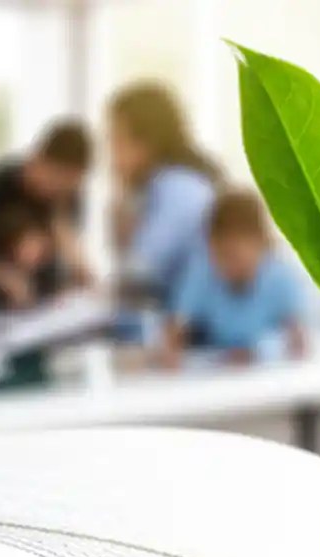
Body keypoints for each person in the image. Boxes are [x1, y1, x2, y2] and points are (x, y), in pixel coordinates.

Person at [160, 190, 306, 368]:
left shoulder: (281, 278)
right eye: (221, 255)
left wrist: (261, 351)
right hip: (220, 366)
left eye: (235, 255)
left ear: (261, 243)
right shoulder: (202, 273)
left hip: (268, 367)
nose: (228, 265)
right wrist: (169, 350)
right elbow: (176, 326)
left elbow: (300, 343)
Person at [108, 82, 218, 306]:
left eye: (117, 140)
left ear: (147, 143)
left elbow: (139, 274)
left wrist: (122, 215)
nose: (110, 152)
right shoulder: (165, 184)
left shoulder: (180, 189)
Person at [0, 120, 93, 305]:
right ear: (38, 160)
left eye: (71, 185)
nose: (61, 191)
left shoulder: (69, 197)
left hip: (41, 309)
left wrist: (78, 271)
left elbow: (64, 265)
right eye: (57, 179)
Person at [0, 205, 56, 312]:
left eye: (40, 245)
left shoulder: (48, 270)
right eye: (28, 245)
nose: (37, 252)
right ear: (11, 248)